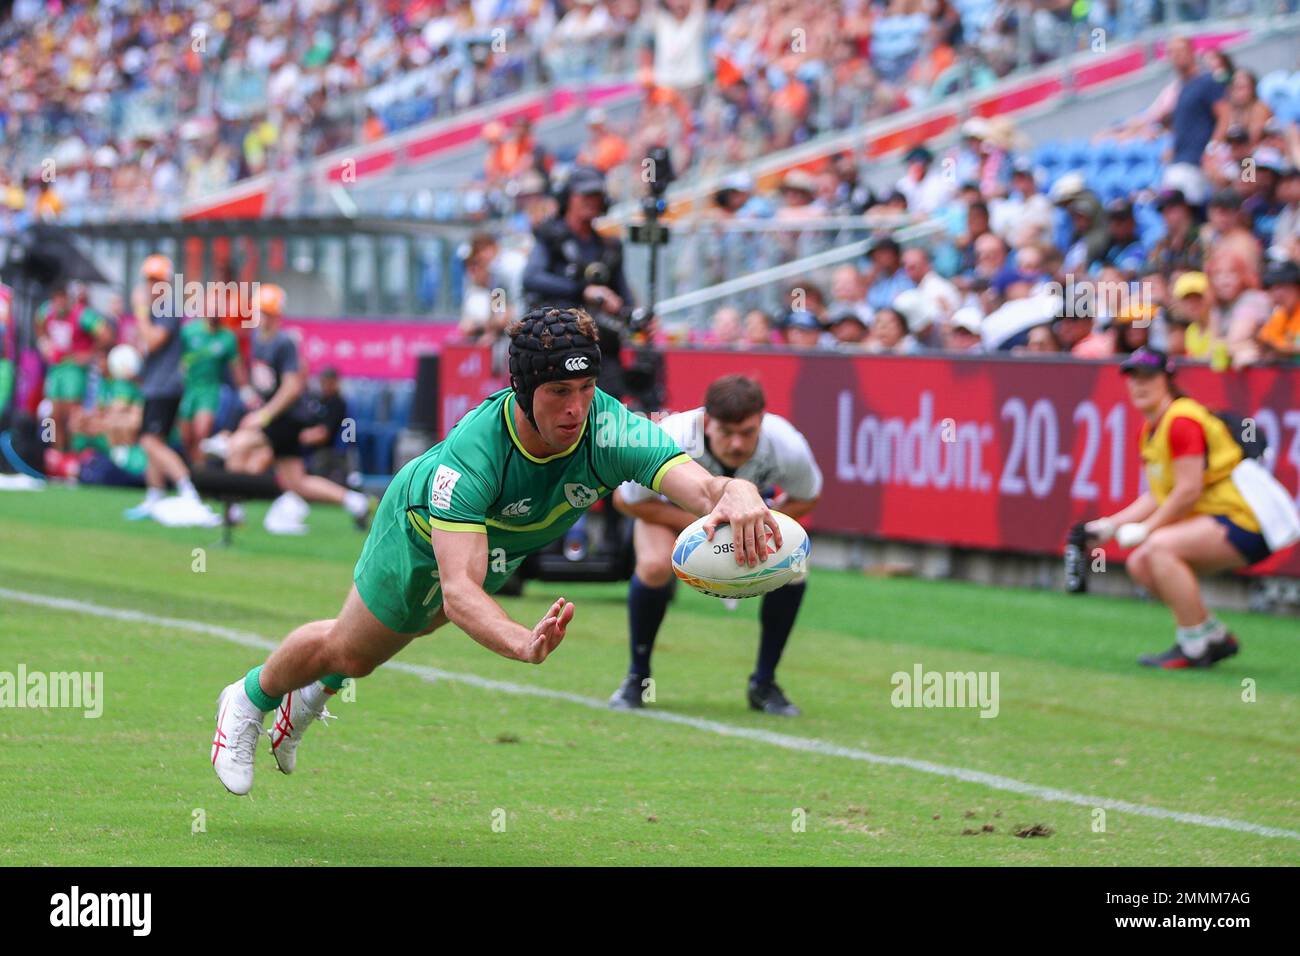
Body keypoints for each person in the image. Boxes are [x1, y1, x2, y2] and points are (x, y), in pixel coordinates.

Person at [210, 308, 781, 795]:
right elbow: (461, 591)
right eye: (559, 392)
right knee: (351, 649)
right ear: (524, 391)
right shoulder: (476, 451)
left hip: (502, 542)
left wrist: (736, 489)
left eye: (585, 390)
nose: (576, 409)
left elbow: (701, 487)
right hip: (418, 528)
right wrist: (521, 643)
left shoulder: (611, 429)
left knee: (401, 635)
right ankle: (248, 698)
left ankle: (307, 695)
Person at [609, 375, 820, 715]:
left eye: (747, 433)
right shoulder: (672, 436)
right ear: (707, 422)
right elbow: (627, 501)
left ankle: (764, 684)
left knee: (795, 567)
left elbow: (808, 498)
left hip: (746, 521)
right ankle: (638, 679)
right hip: (670, 514)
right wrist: (701, 529)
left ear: (762, 422)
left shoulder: (787, 444)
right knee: (654, 566)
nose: (736, 444)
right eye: (726, 432)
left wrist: (760, 527)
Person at [1084, 347, 1299, 668]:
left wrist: (1146, 529)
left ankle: (1194, 646)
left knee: (1157, 548)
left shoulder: (1181, 419)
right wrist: (1110, 526)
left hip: (1246, 518)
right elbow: (1159, 495)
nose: (1138, 385)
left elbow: (1188, 491)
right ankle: (1212, 635)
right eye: (1132, 377)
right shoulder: (1152, 428)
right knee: (1141, 563)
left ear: (1167, 380)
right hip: (1221, 520)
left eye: (1148, 377)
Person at [225, 284, 375, 529]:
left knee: (237, 446)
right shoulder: (258, 340)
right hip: (276, 417)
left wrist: (263, 416)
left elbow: (291, 387)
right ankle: (355, 502)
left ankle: (233, 510)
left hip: (286, 419)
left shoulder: (284, 343)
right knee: (298, 482)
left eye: (263, 312)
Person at [521, 164, 634, 399]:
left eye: (597, 195)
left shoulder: (609, 247)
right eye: (585, 194)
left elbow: (624, 296)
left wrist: (636, 316)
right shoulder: (550, 237)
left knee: (608, 415)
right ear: (568, 198)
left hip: (600, 350)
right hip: (556, 348)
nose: (592, 201)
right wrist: (583, 291)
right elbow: (531, 278)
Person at [125, 254, 211, 523]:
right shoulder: (155, 309)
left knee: (149, 441)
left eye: (156, 280)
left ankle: (188, 490)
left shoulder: (167, 308)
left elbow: (153, 341)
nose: (151, 286)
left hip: (166, 388)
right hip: (154, 385)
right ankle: (154, 496)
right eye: (149, 280)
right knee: (154, 442)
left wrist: (138, 312)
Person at [35, 284, 112, 453]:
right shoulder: (47, 311)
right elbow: (39, 324)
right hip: (56, 368)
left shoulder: (83, 315)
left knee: (71, 415)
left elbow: (106, 334)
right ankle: (57, 455)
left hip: (74, 369)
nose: (59, 303)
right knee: (54, 415)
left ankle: (72, 456)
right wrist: (44, 344)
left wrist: (89, 354)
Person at [178, 308, 246, 465]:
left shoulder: (228, 337)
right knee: (186, 437)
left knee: (201, 433)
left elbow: (237, 368)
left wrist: (245, 390)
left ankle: (199, 475)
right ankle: (191, 471)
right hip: (188, 389)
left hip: (210, 389)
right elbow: (177, 357)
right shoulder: (189, 331)